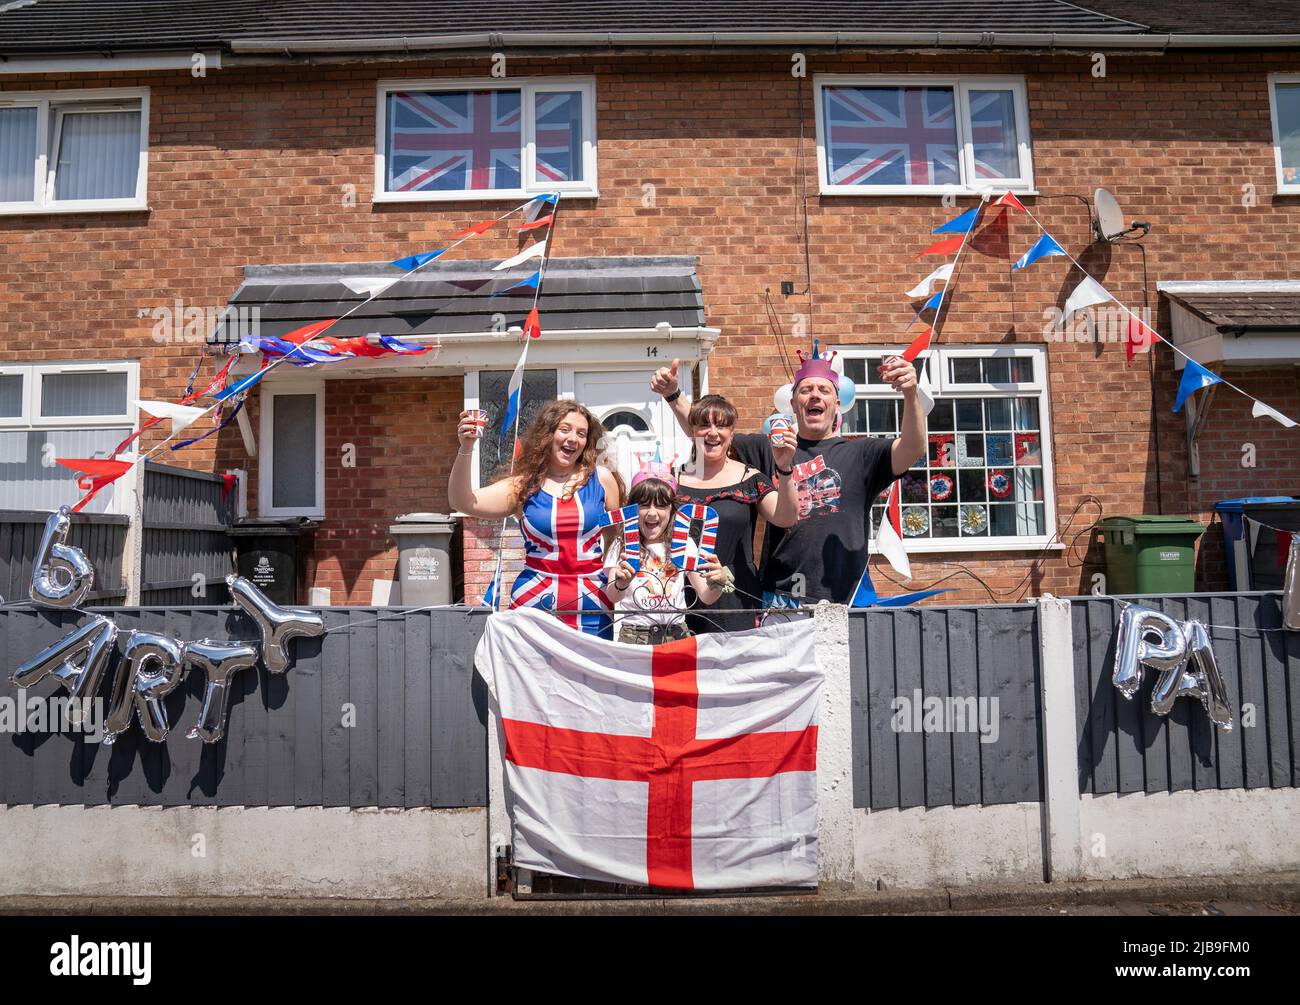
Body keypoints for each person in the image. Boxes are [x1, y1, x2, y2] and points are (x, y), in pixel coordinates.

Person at [651, 350, 926, 607]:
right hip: (779, 596)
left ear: (837, 404)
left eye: (824, 390)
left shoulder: (861, 452)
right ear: (794, 403)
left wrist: (911, 392)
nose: (815, 396)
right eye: (806, 390)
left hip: (843, 596)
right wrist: (674, 394)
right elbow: (708, 432)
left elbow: (912, 448)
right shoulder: (769, 447)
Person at [449, 399, 622, 637]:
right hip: (535, 605)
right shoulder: (522, 486)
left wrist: (614, 575)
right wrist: (466, 448)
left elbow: (616, 536)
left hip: (593, 607)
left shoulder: (602, 479)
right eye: (565, 429)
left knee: (592, 674)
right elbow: (462, 501)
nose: (573, 438)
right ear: (547, 435)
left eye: (581, 433)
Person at [673, 394, 798, 632]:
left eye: (721, 425)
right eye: (703, 425)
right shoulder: (673, 479)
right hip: (680, 595)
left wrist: (784, 469)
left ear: (732, 434)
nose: (712, 433)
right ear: (692, 431)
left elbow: (786, 517)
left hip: (736, 594)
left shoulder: (749, 478)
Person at [603, 464, 729, 645]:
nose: (652, 512)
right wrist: (621, 583)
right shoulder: (621, 544)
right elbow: (613, 596)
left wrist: (717, 582)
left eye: (661, 505)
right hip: (635, 636)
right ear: (632, 510)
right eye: (644, 505)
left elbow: (706, 596)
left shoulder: (683, 542)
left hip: (677, 633)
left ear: (672, 510)